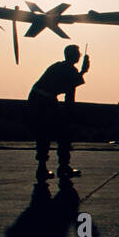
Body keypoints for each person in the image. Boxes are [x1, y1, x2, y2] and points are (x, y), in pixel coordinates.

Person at [28, 45, 90, 181]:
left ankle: (45, 167)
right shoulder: (68, 69)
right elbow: (70, 90)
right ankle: (61, 167)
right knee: (60, 133)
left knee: (44, 134)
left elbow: (68, 90)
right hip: (44, 101)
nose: (79, 56)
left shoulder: (59, 66)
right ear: (72, 55)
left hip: (40, 99)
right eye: (77, 54)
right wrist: (83, 72)